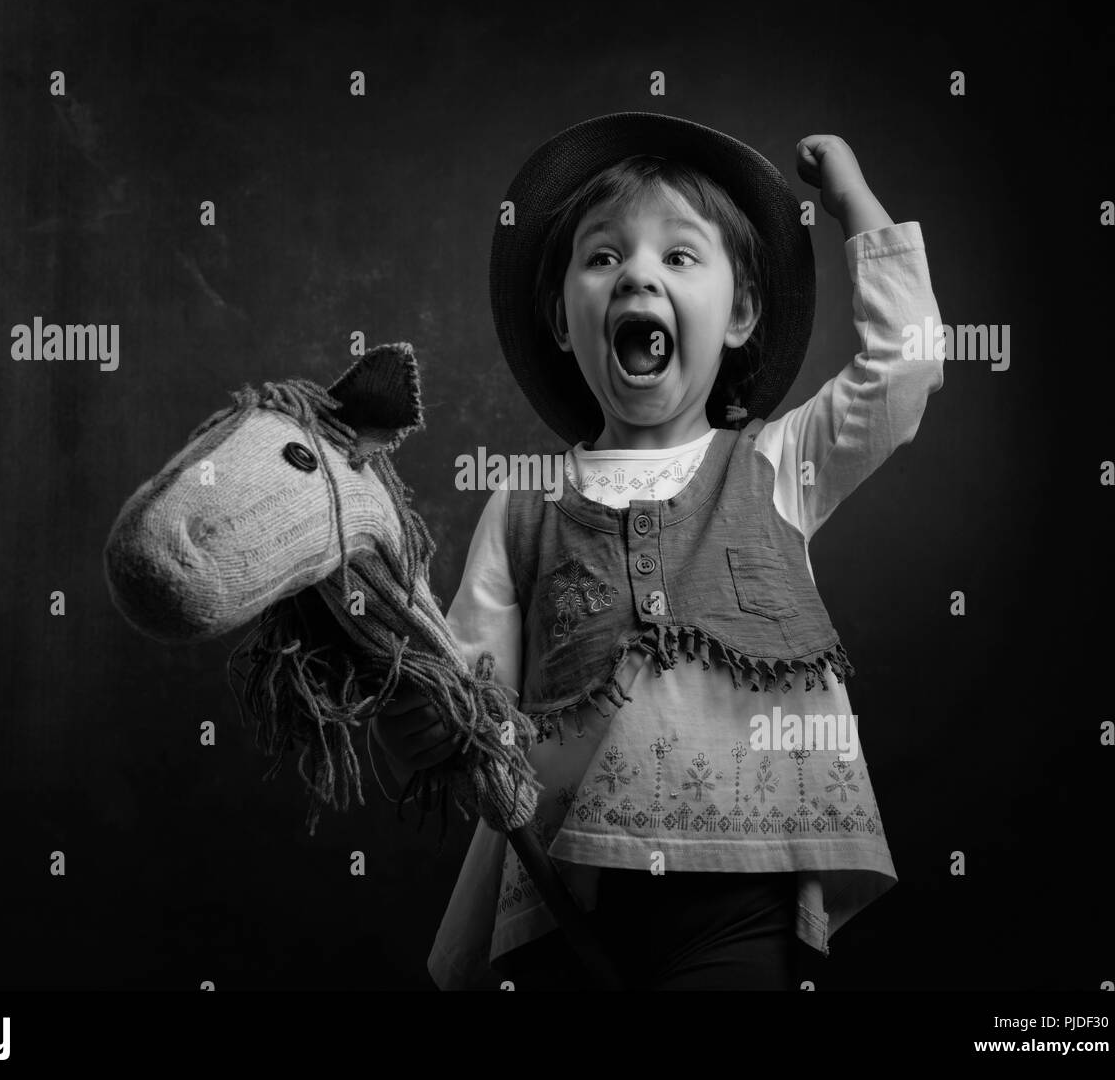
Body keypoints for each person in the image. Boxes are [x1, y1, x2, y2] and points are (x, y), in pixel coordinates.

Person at [368, 112, 944, 990]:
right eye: (603, 257)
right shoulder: (525, 504)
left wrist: (855, 204)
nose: (638, 270)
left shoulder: (779, 465)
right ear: (565, 320)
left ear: (742, 312)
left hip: (743, 896)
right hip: (574, 901)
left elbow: (906, 371)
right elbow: (465, 694)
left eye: (679, 256)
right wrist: (415, 719)